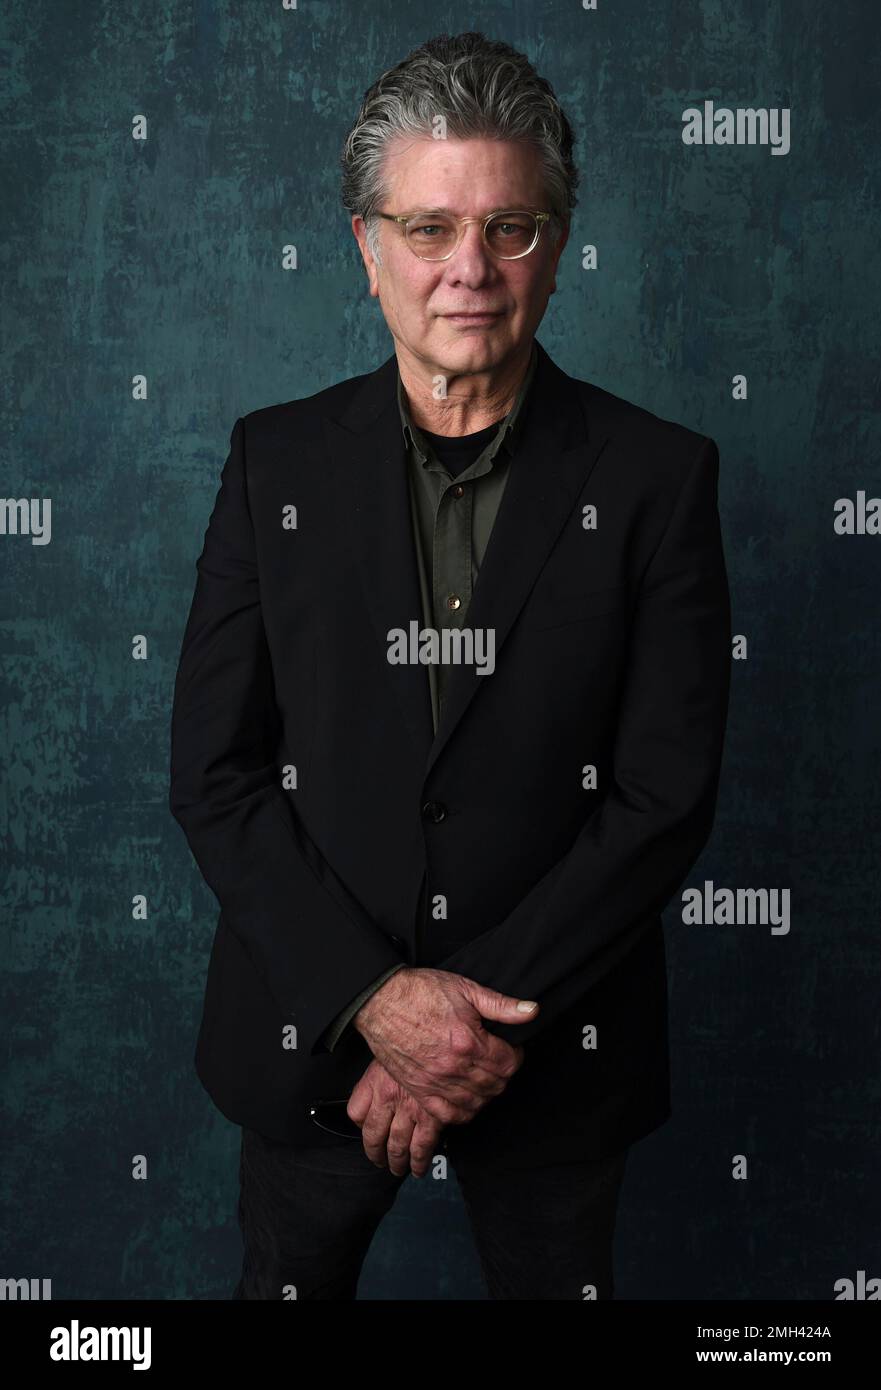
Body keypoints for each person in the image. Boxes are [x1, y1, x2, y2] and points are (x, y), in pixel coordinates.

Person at [169, 31, 732, 1300]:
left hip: (554, 1056)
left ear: (559, 243)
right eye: (427, 229)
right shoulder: (275, 465)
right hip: (311, 1044)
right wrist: (373, 998)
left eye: (510, 228)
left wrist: (458, 1035)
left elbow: (658, 801)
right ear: (368, 251)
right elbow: (215, 774)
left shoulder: (657, 479)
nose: (467, 270)